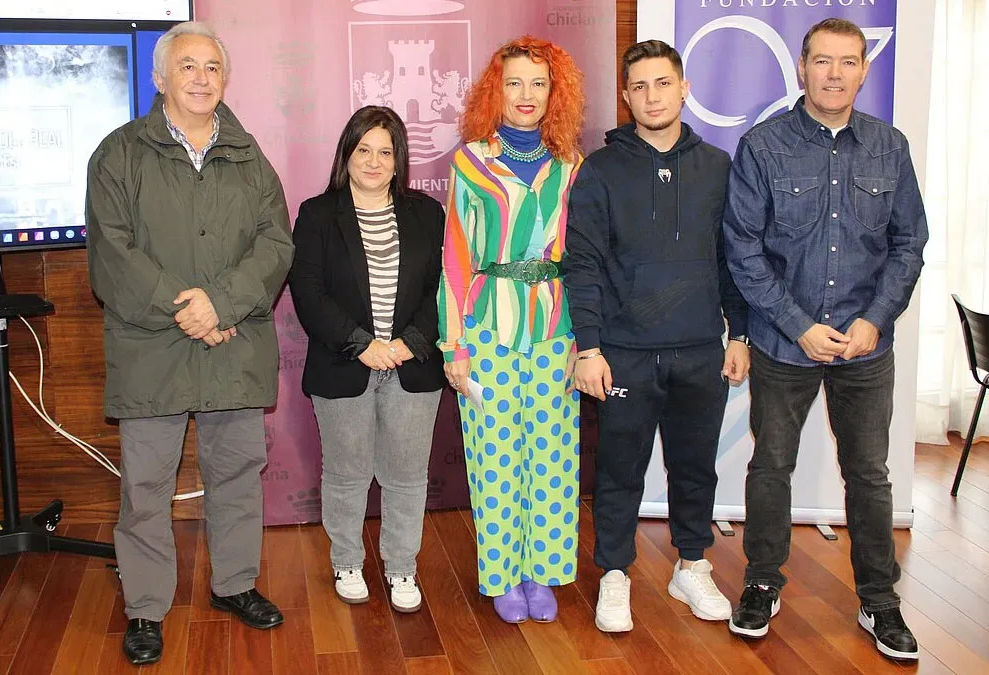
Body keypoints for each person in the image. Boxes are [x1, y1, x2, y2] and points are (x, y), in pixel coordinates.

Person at [85, 21, 294, 666]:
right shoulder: (118, 155)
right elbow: (112, 258)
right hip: (153, 347)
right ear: (160, 78)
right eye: (188, 67)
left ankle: (235, 585)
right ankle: (146, 607)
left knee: (235, 473)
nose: (202, 79)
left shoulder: (248, 155)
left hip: (233, 341)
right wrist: (193, 310)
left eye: (212, 68)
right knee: (146, 486)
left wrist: (222, 304)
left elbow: (275, 244)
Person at [723, 18, 928, 661]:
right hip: (787, 345)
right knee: (770, 467)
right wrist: (798, 325)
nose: (835, 73)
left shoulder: (890, 147)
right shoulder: (763, 146)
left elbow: (908, 244)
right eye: (822, 61)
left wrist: (873, 321)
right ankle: (761, 582)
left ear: (864, 70)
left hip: (868, 346)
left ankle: (880, 600)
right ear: (802, 67)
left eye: (848, 62)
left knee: (868, 474)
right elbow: (743, 249)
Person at [566, 39, 749, 633]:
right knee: (619, 469)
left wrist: (739, 334)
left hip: (700, 348)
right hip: (623, 355)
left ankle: (690, 565)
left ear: (684, 88)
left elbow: (733, 259)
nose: (651, 96)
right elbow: (583, 262)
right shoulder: (600, 170)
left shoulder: (718, 167)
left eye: (662, 84)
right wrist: (589, 347)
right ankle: (615, 574)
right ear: (626, 96)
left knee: (695, 468)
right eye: (639, 86)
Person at [438, 35, 585, 624]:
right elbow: (454, 255)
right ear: (495, 92)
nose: (526, 95)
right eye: (514, 83)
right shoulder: (470, 160)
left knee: (551, 456)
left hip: (555, 327)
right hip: (487, 328)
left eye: (538, 83)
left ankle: (540, 571)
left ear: (556, 93)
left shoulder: (572, 167)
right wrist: (454, 344)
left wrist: (585, 340)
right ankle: (503, 573)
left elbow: (582, 257)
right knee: (495, 456)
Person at [289, 105, 447, 614]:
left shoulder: (427, 213)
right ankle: (347, 561)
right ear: (346, 155)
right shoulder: (317, 215)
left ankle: (402, 567)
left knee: (406, 477)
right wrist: (363, 344)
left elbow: (441, 289)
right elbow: (308, 293)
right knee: (347, 474)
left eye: (385, 152)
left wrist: (409, 343)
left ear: (399, 160)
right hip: (344, 365)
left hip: (412, 364)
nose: (374, 162)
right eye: (364, 150)